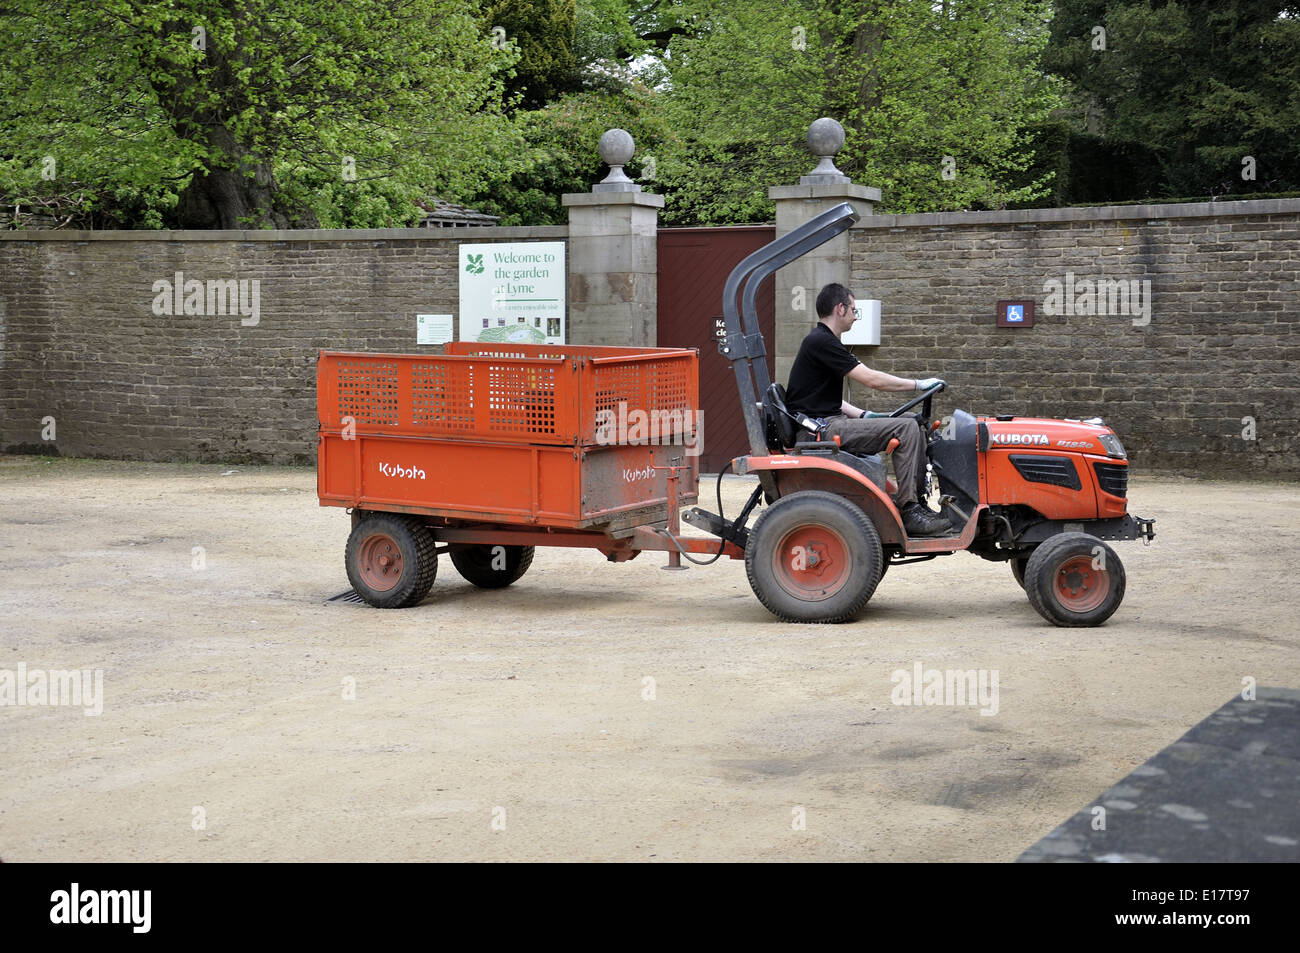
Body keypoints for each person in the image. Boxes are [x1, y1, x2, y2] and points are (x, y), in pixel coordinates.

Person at [784, 283, 952, 537]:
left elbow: (824, 398)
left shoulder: (821, 341)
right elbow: (873, 380)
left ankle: (918, 505)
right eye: (854, 309)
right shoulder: (821, 341)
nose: (855, 315)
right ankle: (910, 512)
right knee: (905, 427)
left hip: (827, 422)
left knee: (912, 421)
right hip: (819, 431)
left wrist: (864, 415)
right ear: (840, 309)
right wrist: (919, 384)